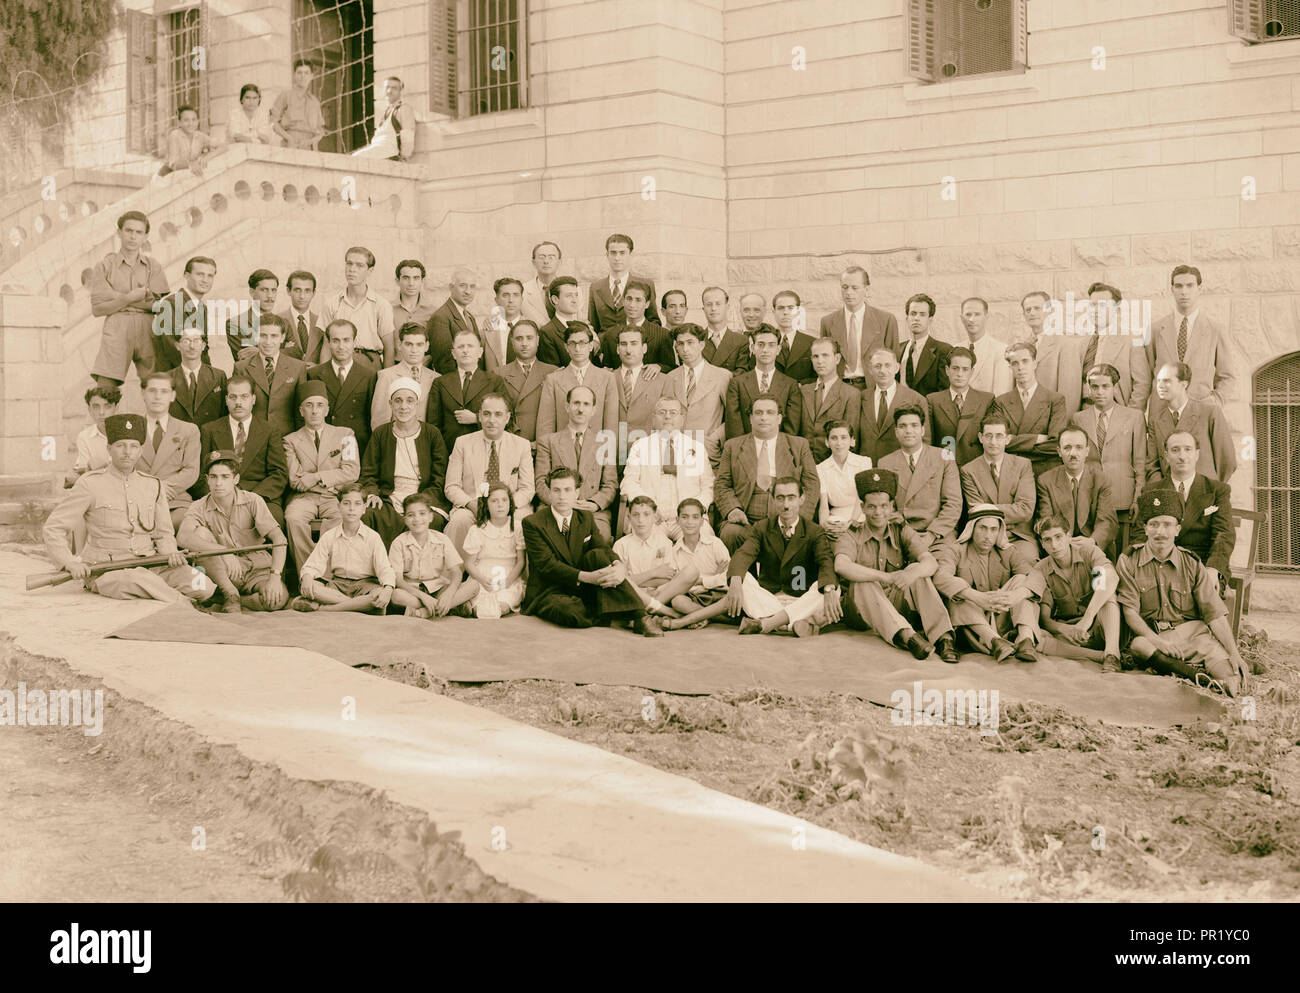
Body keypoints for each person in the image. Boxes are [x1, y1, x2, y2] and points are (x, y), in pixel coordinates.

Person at [43, 414, 216, 605]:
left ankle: (169, 597)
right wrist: (70, 562)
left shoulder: (153, 485)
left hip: (151, 564)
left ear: (140, 450)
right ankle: (182, 604)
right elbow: (54, 528)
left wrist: (170, 555)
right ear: (109, 449)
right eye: (120, 445)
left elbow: (164, 534)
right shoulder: (90, 484)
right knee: (138, 580)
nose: (127, 452)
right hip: (107, 570)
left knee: (202, 586)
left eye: (133, 446)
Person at [1117, 490, 1249, 696]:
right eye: (1154, 524)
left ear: (1177, 529)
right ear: (1145, 528)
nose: (1160, 532)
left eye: (1167, 525)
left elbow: (1213, 613)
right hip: (1153, 636)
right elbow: (1130, 613)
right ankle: (1198, 679)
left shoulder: (1192, 563)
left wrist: (1234, 653)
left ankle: (1211, 678)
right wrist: (1159, 641)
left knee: (1229, 674)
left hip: (1192, 634)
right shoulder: (1129, 561)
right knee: (1138, 645)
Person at [833, 469, 957, 662]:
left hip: (894, 603)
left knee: (916, 571)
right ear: (862, 507)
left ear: (891, 506)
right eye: (872, 507)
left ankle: (943, 638)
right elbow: (841, 565)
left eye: (883, 506)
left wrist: (910, 575)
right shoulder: (852, 533)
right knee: (863, 582)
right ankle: (908, 637)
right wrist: (885, 577)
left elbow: (930, 562)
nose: (878, 512)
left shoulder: (901, 530)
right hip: (861, 611)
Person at [521, 466, 663, 635]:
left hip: (582, 587)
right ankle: (615, 611)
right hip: (550, 590)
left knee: (597, 555)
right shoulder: (533, 523)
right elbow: (547, 565)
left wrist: (619, 565)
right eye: (556, 490)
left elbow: (601, 548)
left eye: (567, 490)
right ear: (550, 493)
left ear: (577, 492)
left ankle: (640, 617)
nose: (562, 496)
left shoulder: (585, 517)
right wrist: (588, 577)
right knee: (572, 613)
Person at [724, 477, 841, 637]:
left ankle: (768, 623)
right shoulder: (762, 528)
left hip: (801, 600)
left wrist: (828, 589)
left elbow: (825, 561)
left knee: (832, 588)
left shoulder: (814, 531)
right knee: (741, 580)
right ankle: (794, 625)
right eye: (780, 498)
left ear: (802, 498)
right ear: (773, 500)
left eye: (791, 497)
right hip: (768, 599)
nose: (786, 505)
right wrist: (736, 580)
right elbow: (744, 553)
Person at [178, 451, 289, 613]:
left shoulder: (253, 500)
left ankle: (230, 600)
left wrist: (275, 577)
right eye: (213, 477)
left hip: (256, 570)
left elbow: (279, 539)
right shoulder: (199, 506)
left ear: (236, 479)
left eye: (225, 477)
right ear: (207, 480)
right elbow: (183, 537)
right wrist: (223, 551)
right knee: (200, 533)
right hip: (223, 572)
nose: (218, 483)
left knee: (276, 600)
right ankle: (230, 594)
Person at [932, 505, 1044, 663]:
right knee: (957, 592)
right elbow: (940, 577)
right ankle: (995, 642)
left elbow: (1036, 576)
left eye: (993, 529)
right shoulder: (956, 551)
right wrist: (977, 597)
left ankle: (1025, 640)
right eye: (982, 528)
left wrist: (1015, 595)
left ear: (999, 531)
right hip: (974, 627)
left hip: (1000, 615)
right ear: (972, 528)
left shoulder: (1008, 551)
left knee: (1021, 580)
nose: (988, 536)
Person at [1133, 431, 1234, 591]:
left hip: (1201, 563)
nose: (1182, 456)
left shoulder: (1217, 490)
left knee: (1203, 597)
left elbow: (1224, 535)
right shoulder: (1152, 491)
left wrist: (1213, 568)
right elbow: (1139, 534)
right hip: (1160, 563)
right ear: (1166, 456)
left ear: (1197, 454)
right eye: (1175, 450)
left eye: (1188, 449)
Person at [715, 397, 820, 552]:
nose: (763, 417)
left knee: (798, 538)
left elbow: (812, 484)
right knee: (731, 533)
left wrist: (797, 518)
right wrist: (733, 510)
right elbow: (721, 484)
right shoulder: (733, 446)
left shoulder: (799, 445)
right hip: (746, 520)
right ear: (750, 418)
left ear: (779, 418)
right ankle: (743, 576)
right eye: (758, 412)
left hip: (786, 515)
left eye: (770, 412)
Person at [360, 378, 451, 546]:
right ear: (390, 404)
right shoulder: (381, 434)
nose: (403, 406)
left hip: (424, 494)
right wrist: (372, 493)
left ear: (417, 404)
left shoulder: (432, 433)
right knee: (369, 514)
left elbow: (440, 476)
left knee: (433, 519)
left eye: (410, 401)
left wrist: (423, 498)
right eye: (398, 401)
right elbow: (368, 472)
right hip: (389, 495)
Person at [282, 380, 361, 567]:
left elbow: (352, 471)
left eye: (320, 405)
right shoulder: (290, 441)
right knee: (293, 518)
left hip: (334, 496)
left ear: (327, 409)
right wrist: (330, 475)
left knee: (343, 518)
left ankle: (331, 572)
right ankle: (309, 571)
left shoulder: (346, 435)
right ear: (301, 411)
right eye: (309, 405)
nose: (315, 411)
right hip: (304, 498)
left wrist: (315, 476)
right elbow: (295, 479)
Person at [444, 393, 535, 552]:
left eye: (498, 414)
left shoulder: (521, 445)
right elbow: (451, 487)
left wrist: (506, 506)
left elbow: (528, 488)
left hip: (510, 505)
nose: (491, 420)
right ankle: (457, 571)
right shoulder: (463, 443)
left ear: (507, 418)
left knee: (525, 520)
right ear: (479, 416)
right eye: (486, 414)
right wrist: (472, 505)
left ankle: (519, 571)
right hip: (473, 505)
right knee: (459, 520)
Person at [90, 210, 169, 389]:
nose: (133, 237)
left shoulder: (153, 266)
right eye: (129, 231)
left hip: (149, 328)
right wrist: (129, 297)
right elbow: (97, 309)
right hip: (117, 326)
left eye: (138, 232)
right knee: (105, 389)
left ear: (146, 236)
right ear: (119, 232)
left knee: (157, 386)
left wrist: (115, 297)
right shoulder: (104, 266)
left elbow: (159, 306)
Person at [198, 374, 288, 526]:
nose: (238, 402)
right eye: (233, 397)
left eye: (244, 397)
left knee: (274, 518)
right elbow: (201, 474)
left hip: (259, 494)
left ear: (253, 399)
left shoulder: (269, 430)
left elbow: (279, 473)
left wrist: (251, 498)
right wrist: (222, 496)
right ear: (226, 400)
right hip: (219, 495)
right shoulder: (210, 430)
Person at [1033, 517, 1121, 672]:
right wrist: (1065, 629)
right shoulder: (1041, 569)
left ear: (1068, 536)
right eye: (1048, 540)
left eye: (1058, 537)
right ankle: (1101, 656)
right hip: (1070, 634)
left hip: (1100, 625)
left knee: (1108, 597)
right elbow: (1045, 619)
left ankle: (1113, 654)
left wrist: (1086, 620)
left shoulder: (1088, 551)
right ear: (1042, 544)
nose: (1054, 545)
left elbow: (1110, 576)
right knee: (1039, 636)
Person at [293, 484, 396, 613]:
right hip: (338, 586)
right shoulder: (330, 536)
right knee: (312, 586)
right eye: (346, 503)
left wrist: (388, 588)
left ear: (364, 508)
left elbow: (385, 568)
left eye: (357, 504)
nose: (351, 509)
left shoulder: (373, 537)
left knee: (378, 594)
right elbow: (312, 564)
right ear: (339, 507)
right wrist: (307, 577)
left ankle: (325, 609)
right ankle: (357, 606)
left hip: (365, 586)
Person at [621, 396, 713, 539]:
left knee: (703, 541)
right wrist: (647, 508)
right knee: (647, 547)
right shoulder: (640, 446)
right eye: (662, 412)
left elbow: (708, 485)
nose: (667, 416)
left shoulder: (697, 448)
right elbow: (629, 482)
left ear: (682, 419)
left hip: (687, 518)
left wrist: (695, 510)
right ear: (653, 418)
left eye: (673, 412)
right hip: (652, 518)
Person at [534, 385, 619, 540]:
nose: (580, 409)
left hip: (592, 511)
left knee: (600, 538)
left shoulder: (604, 443)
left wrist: (595, 503)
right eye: (576, 403)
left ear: (594, 410)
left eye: (586, 404)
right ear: (567, 407)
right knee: (552, 538)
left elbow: (610, 484)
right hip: (555, 508)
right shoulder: (549, 442)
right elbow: (540, 482)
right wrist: (563, 503)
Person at [1145, 265, 1235, 408]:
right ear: (1172, 289)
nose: (1184, 292)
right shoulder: (1156, 330)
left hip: (1200, 411)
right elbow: (1147, 376)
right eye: (1179, 286)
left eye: (1190, 286)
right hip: (1162, 413)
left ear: (1200, 289)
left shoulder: (1215, 330)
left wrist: (1214, 403)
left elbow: (1227, 377)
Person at [878, 404, 961, 547]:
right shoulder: (885, 463)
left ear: (923, 430)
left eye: (914, 425)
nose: (908, 431)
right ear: (896, 432)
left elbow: (953, 504)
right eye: (903, 426)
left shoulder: (944, 456)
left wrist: (932, 534)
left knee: (943, 568)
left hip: (939, 535)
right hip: (900, 534)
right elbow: (886, 506)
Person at [1074, 363, 1145, 525]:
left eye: (1105, 386)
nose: (1099, 392)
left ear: (1115, 387)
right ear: (1089, 388)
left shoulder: (1134, 417)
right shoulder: (1078, 419)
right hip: (1089, 498)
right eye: (1095, 387)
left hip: (1122, 496)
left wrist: (1137, 499)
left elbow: (1140, 463)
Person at [387, 492, 477, 619]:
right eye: (411, 515)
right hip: (414, 593)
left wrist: (449, 594)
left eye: (422, 513)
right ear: (405, 519)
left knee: (474, 585)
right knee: (396, 596)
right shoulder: (399, 543)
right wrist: (424, 597)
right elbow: (398, 580)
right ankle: (448, 607)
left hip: (439, 589)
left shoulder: (442, 539)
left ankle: (424, 613)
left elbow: (456, 573)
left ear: (431, 517)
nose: (417, 519)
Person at [1146, 362, 1237, 485]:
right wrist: (1163, 491)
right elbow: (1152, 465)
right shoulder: (1155, 421)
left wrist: (1211, 487)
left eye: (1167, 381)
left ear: (1184, 384)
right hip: (1169, 497)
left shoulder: (1209, 413)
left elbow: (1228, 461)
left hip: (1204, 495)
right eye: (1158, 381)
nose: (1160, 386)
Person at [613, 496, 701, 619]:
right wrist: (654, 573)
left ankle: (649, 610)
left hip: (661, 593)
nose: (640, 520)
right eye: (636, 515)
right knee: (622, 589)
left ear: (655, 517)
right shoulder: (621, 545)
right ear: (629, 518)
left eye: (646, 514)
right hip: (634, 594)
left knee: (691, 571)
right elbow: (620, 582)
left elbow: (668, 579)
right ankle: (658, 610)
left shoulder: (664, 543)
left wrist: (636, 579)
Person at [134, 372, 201, 528]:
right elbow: (123, 468)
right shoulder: (131, 427)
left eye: (164, 391)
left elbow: (191, 471)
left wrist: (163, 489)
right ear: (143, 393)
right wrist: (155, 488)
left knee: (186, 523)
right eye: (152, 391)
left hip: (174, 500)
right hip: (137, 499)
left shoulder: (188, 430)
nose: (158, 396)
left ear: (173, 396)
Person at [1035, 426, 1117, 552]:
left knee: (1101, 570)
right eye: (1067, 448)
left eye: (1079, 447)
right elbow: (1046, 519)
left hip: (1093, 547)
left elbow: (1106, 521)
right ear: (1059, 451)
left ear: (1087, 451)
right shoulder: (1046, 481)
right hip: (1059, 547)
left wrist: (1092, 541)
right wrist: (1064, 542)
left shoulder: (1101, 479)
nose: (1073, 454)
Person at [993, 340, 1068, 479]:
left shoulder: (1055, 400)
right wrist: (1038, 438)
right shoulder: (1000, 402)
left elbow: (1055, 445)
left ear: (1035, 363)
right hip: (1012, 473)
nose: (1020, 367)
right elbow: (997, 442)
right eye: (1015, 363)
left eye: (1025, 361)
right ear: (1010, 367)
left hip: (1045, 472)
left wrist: (1013, 440)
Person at [308, 318, 378, 458]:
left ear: (354, 342)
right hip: (325, 447)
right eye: (336, 341)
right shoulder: (314, 374)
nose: (341, 346)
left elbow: (371, 418)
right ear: (328, 343)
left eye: (346, 340)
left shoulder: (369, 375)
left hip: (357, 445)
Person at [426, 326, 505, 450]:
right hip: (450, 452)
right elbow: (434, 426)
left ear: (480, 352)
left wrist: (476, 418)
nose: (465, 350)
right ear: (453, 353)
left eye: (470, 346)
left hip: (485, 450)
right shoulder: (440, 383)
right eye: (461, 347)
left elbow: (506, 419)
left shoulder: (495, 381)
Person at [660, 498, 733, 629]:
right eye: (685, 517)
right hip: (695, 597)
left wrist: (699, 581)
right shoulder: (674, 551)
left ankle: (695, 617)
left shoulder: (715, 543)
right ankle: (712, 617)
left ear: (702, 521)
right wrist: (714, 576)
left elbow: (728, 576)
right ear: (677, 521)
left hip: (718, 593)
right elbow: (676, 583)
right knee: (677, 601)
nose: (690, 522)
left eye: (695, 517)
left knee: (732, 598)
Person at [819, 266, 897, 388]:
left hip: (872, 387)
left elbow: (893, 360)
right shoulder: (828, 322)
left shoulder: (885, 320)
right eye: (845, 287)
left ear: (866, 290)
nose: (849, 292)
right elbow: (824, 360)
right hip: (840, 388)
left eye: (855, 288)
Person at [664, 324, 731, 464]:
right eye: (680, 344)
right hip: (677, 455)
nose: (685, 349)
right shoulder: (670, 377)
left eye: (690, 343)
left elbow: (733, 417)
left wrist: (714, 439)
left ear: (701, 345)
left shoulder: (722, 376)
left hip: (708, 454)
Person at [536, 322, 618, 436]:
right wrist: (545, 454)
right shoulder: (553, 380)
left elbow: (611, 425)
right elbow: (545, 426)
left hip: (596, 447)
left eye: (582, 343)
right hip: (562, 449)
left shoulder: (607, 378)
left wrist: (607, 453)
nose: (577, 348)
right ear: (566, 347)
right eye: (572, 343)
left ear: (590, 346)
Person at [233, 313, 307, 438]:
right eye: (263, 335)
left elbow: (301, 409)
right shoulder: (241, 368)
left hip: (287, 437)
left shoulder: (298, 367)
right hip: (253, 436)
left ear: (282, 337)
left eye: (274, 336)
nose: (268, 342)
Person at [320, 247, 395, 369]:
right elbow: (326, 345)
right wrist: (323, 376)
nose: (352, 269)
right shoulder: (332, 303)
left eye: (359, 265)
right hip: (338, 364)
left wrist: (386, 380)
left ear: (370, 270)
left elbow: (389, 347)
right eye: (349, 264)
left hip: (369, 363)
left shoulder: (381, 305)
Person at [1081, 282, 1152, 410]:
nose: (1096, 310)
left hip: (1116, 413)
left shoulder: (1130, 340)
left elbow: (1142, 384)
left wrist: (1130, 417)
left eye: (1102, 305)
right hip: (1083, 415)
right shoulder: (1082, 342)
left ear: (1117, 309)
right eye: (1093, 305)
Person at [724, 324, 802, 437]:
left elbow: (791, 429)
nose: (765, 350)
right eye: (760, 345)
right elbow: (734, 427)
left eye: (771, 345)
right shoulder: (737, 383)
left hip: (779, 449)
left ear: (778, 349)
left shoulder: (790, 385)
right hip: (745, 449)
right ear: (752, 348)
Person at [463, 482, 527, 617]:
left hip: (509, 576)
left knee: (502, 606)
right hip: (482, 576)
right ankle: (470, 608)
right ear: (486, 505)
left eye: (504, 500)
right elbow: (469, 563)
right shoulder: (477, 529)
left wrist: (508, 580)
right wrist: (482, 579)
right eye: (494, 501)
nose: (500, 504)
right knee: (478, 603)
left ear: (510, 503)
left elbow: (521, 562)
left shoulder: (518, 527)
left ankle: (486, 610)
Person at [1019, 290, 1087, 417]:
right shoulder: (1023, 346)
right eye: (1028, 310)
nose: (1032, 313)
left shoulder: (1066, 344)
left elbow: (1069, 396)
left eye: (1037, 308)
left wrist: (1059, 431)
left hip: (1050, 423)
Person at [856, 347, 928, 464]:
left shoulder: (916, 399)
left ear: (897, 368)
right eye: (877, 366)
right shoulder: (860, 398)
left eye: (888, 365)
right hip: (867, 466)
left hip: (901, 467)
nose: (882, 371)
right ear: (870, 370)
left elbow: (925, 440)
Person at [926, 346, 993, 468]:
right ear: (947, 370)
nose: (959, 374)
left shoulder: (986, 400)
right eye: (955, 368)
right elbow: (929, 442)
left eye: (965, 369)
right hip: (944, 466)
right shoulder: (933, 400)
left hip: (976, 467)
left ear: (972, 372)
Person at [800, 337, 861, 464]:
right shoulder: (803, 391)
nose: (820, 361)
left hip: (834, 466)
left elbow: (849, 439)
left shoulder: (850, 394)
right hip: (804, 464)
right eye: (815, 356)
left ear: (837, 358)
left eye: (825, 355)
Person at [152, 256, 217, 373]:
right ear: (186, 276)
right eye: (200, 274)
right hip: (174, 376)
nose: (205, 280)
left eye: (210, 276)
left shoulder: (202, 308)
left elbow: (204, 348)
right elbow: (171, 347)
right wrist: (198, 374)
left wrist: (209, 376)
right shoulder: (170, 303)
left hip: (194, 376)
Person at [497, 320, 557, 446]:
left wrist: (542, 441)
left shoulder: (553, 372)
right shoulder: (498, 374)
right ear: (512, 342)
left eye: (529, 338)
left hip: (544, 444)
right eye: (519, 339)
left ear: (538, 340)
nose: (524, 344)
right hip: (511, 443)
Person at [588, 233, 659, 335]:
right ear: (607, 255)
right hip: (605, 347)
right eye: (613, 253)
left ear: (630, 255)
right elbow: (594, 325)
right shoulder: (596, 287)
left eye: (622, 253)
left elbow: (654, 322)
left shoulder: (645, 284)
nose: (617, 258)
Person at [594, 282, 672, 372]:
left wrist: (659, 367)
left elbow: (671, 368)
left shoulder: (662, 335)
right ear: (623, 301)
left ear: (647, 304)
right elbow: (607, 366)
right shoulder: (611, 334)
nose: (632, 305)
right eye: (629, 299)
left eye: (638, 300)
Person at [373, 323, 438, 428]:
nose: (414, 350)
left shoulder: (436, 378)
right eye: (408, 344)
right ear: (399, 345)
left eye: (419, 344)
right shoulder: (387, 376)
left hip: (427, 441)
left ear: (427, 346)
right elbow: (379, 421)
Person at [815, 420, 872, 537]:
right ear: (827, 442)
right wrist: (824, 526)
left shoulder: (864, 462)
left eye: (844, 437)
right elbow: (824, 506)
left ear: (852, 441)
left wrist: (851, 523)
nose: (839, 443)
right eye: (834, 438)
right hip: (836, 520)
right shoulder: (820, 468)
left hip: (861, 516)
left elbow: (861, 499)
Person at [611, 324, 667, 439]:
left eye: (634, 343)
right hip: (614, 447)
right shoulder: (607, 379)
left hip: (647, 449)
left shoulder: (662, 380)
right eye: (623, 344)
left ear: (644, 348)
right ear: (617, 349)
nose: (628, 350)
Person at [168, 326, 228, 427]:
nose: (192, 346)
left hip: (210, 438)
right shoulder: (167, 379)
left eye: (196, 341)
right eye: (186, 341)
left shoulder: (218, 376)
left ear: (203, 345)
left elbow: (224, 414)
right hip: (178, 439)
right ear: (177, 345)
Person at [427, 268, 482, 374]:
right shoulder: (440, 317)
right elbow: (444, 364)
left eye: (472, 286)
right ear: (451, 287)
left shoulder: (469, 316)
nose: (468, 291)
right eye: (462, 285)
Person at [896, 293, 950, 396]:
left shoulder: (943, 351)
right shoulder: (897, 349)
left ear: (930, 320)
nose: (916, 318)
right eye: (913, 313)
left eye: (922, 314)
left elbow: (944, 394)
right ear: (907, 319)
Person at [959, 297, 1013, 397]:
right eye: (968, 314)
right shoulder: (955, 349)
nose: (972, 319)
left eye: (977, 314)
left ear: (986, 317)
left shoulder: (1000, 350)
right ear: (962, 318)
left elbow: (1001, 395)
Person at [352, 76, 415, 160]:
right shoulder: (386, 111)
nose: (389, 91)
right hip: (379, 150)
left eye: (394, 88)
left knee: (355, 158)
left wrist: (404, 157)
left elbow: (408, 135)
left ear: (400, 91)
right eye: (387, 87)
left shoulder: (403, 109)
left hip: (390, 152)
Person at [68, 385, 120, 486]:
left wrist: (103, 464)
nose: (101, 412)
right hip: (98, 487)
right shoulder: (84, 437)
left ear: (116, 408)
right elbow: (85, 474)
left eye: (107, 406)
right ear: (89, 410)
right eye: (96, 407)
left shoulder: (127, 433)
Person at [270, 59, 325, 150]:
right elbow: (273, 122)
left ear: (312, 76)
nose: (302, 76)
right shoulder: (286, 96)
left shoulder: (315, 102)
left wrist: (310, 141)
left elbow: (321, 131)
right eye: (299, 73)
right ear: (294, 75)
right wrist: (289, 138)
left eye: (306, 73)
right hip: (291, 144)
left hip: (310, 147)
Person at [228, 269, 281, 359]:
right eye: (264, 290)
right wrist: (281, 352)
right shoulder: (235, 324)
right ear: (252, 292)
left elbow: (295, 354)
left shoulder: (284, 323)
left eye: (273, 290)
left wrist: (259, 351)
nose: (270, 296)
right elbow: (246, 359)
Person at [700, 287, 751, 374]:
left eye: (718, 304)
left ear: (727, 307)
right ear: (703, 309)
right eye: (709, 304)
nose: (713, 308)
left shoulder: (741, 341)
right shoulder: (697, 339)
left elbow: (742, 373)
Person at [535, 276, 583, 367]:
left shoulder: (584, 327)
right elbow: (553, 372)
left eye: (576, 295)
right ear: (555, 299)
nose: (575, 300)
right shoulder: (547, 333)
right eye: (569, 296)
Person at [771, 290, 817, 385]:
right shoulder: (763, 341)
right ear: (773, 311)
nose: (785, 312)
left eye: (791, 308)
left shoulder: (812, 343)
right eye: (780, 308)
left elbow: (818, 376)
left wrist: (800, 385)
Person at [279, 269, 324, 363]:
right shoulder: (277, 320)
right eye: (297, 290)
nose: (302, 296)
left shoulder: (322, 322)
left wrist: (318, 368)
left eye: (307, 291)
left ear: (314, 293)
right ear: (288, 291)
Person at [482, 277, 526, 372]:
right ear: (496, 299)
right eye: (505, 295)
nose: (511, 300)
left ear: (522, 299)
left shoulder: (533, 328)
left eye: (516, 295)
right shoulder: (486, 332)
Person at [157, 105, 213, 178]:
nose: (191, 124)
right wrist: (191, 164)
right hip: (167, 176)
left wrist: (207, 157)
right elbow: (173, 164)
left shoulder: (200, 136)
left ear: (198, 121)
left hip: (186, 175)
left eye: (194, 120)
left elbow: (223, 147)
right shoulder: (174, 135)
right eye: (186, 120)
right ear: (179, 122)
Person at [521, 241, 563, 327]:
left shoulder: (573, 289)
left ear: (559, 262)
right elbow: (507, 316)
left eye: (551, 257)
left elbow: (582, 321)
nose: (546, 261)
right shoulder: (522, 291)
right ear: (533, 262)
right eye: (541, 257)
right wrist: (490, 321)